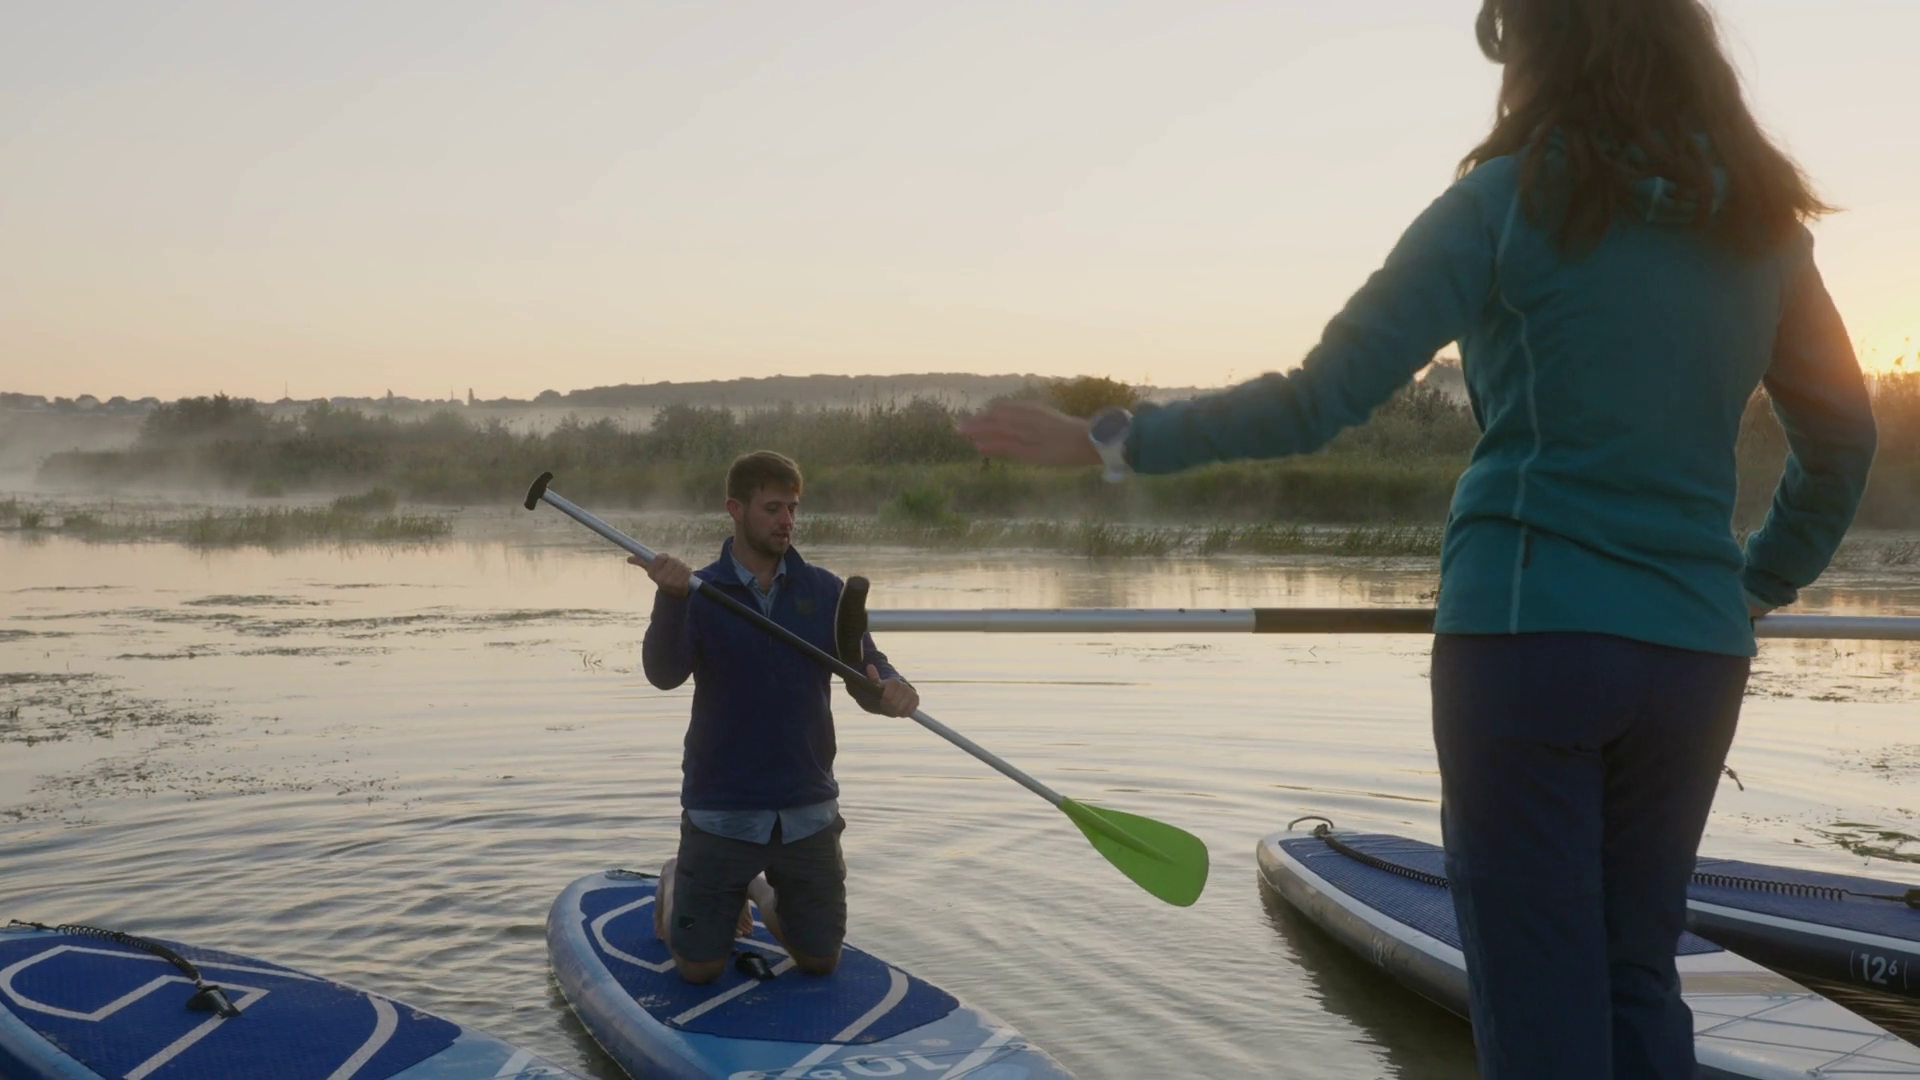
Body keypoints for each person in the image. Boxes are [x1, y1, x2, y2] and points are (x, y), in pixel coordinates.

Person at [959, 0, 1877, 1075]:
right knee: (1638, 980)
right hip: (1694, 659)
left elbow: (1321, 397)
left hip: (1529, 640)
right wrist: (1755, 583)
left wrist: (1112, 441)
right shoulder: (1761, 229)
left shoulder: (1503, 201)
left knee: (1540, 1003)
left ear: (1534, 49)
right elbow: (1844, 440)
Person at [637, 450, 919, 984]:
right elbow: (663, 674)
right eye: (772, 508)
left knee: (819, 960)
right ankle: (676, 878)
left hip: (806, 806)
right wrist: (670, 600)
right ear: (735, 510)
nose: (786, 520)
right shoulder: (700, 591)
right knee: (699, 970)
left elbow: (866, 669)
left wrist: (893, 685)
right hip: (723, 806)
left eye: (792, 508)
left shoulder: (826, 592)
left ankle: (758, 886)